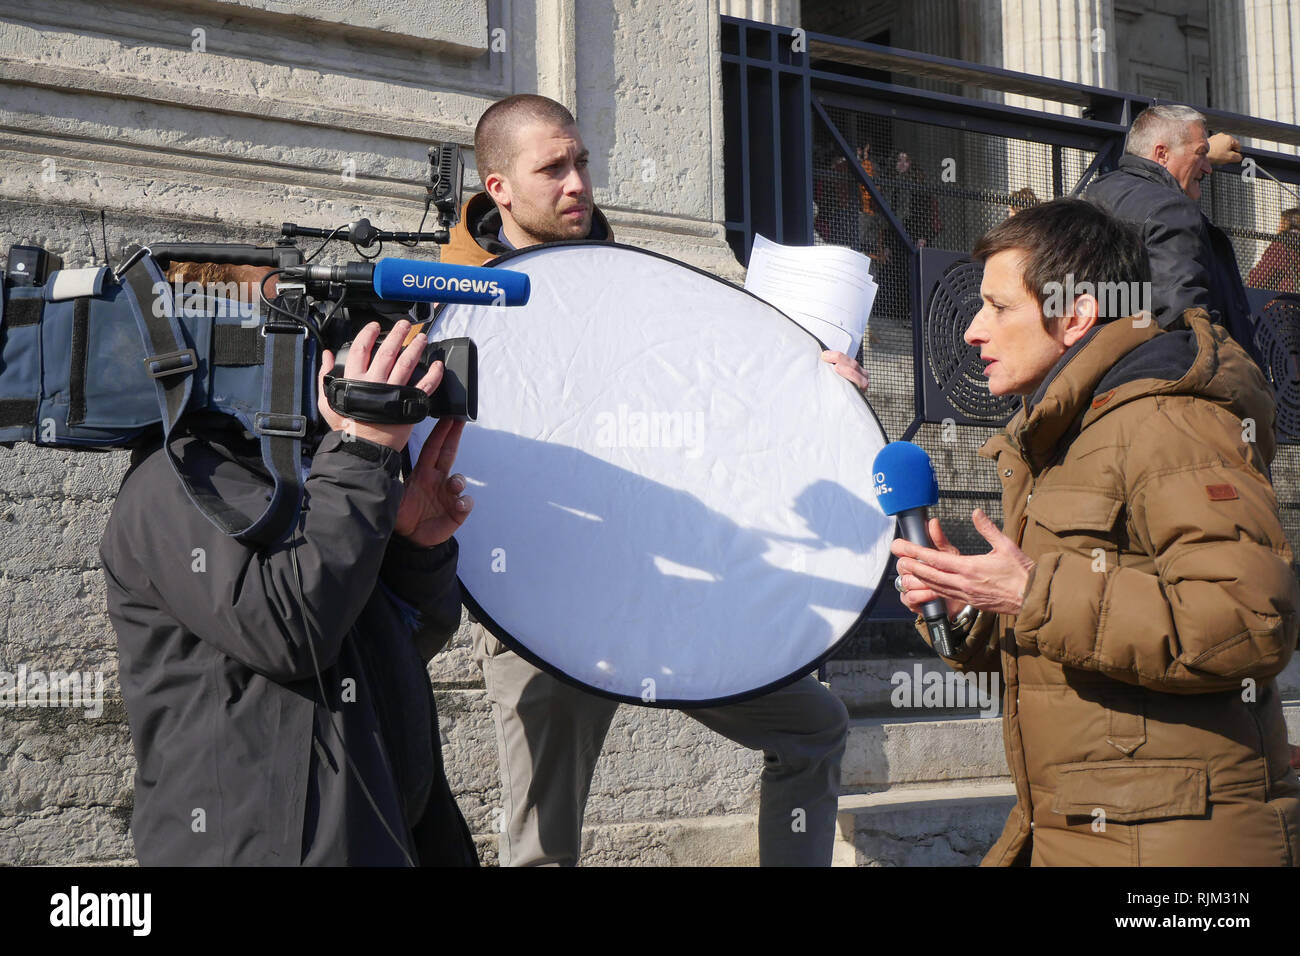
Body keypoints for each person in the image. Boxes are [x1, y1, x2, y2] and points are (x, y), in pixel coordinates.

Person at [442, 93, 867, 866]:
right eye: (552, 169)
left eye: (582, 163)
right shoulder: (447, 303)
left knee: (814, 728)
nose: (577, 183)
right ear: (497, 187)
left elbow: (712, 397)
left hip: (671, 583)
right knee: (543, 844)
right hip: (540, 605)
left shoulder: (628, 280)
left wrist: (810, 380)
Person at [892, 198, 1300, 865]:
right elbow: (1071, 647)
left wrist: (1031, 594)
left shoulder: (1169, 420)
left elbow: (1251, 621)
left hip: (1177, 844)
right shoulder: (1061, 434)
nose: (971, 330)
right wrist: (972, 608)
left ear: (1077, 313)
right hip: (1075, 828)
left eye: (998, 307)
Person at [102, 265, 478, 866]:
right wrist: (361, 453)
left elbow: (407, 640)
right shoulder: (173, 484)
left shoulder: (305, 467)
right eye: (289, 327)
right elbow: (289, 631)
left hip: (375, 832)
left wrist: (410, 547)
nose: (315, 345)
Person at [1084, 103, 1264, 366]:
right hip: (1169, 385)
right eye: (1201, 155)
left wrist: (1199, 153)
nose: (1208, 168)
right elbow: (1186, 319)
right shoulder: (1172, 210)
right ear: (1161, 154)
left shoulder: (1097, 192)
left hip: (1104, 371)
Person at [1248, 208, 1300, 293]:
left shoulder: (1281, 246)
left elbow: (1260, 278)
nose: (1278, 227)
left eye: (1280, 223)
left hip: (1282, 301)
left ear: (1285, 224)